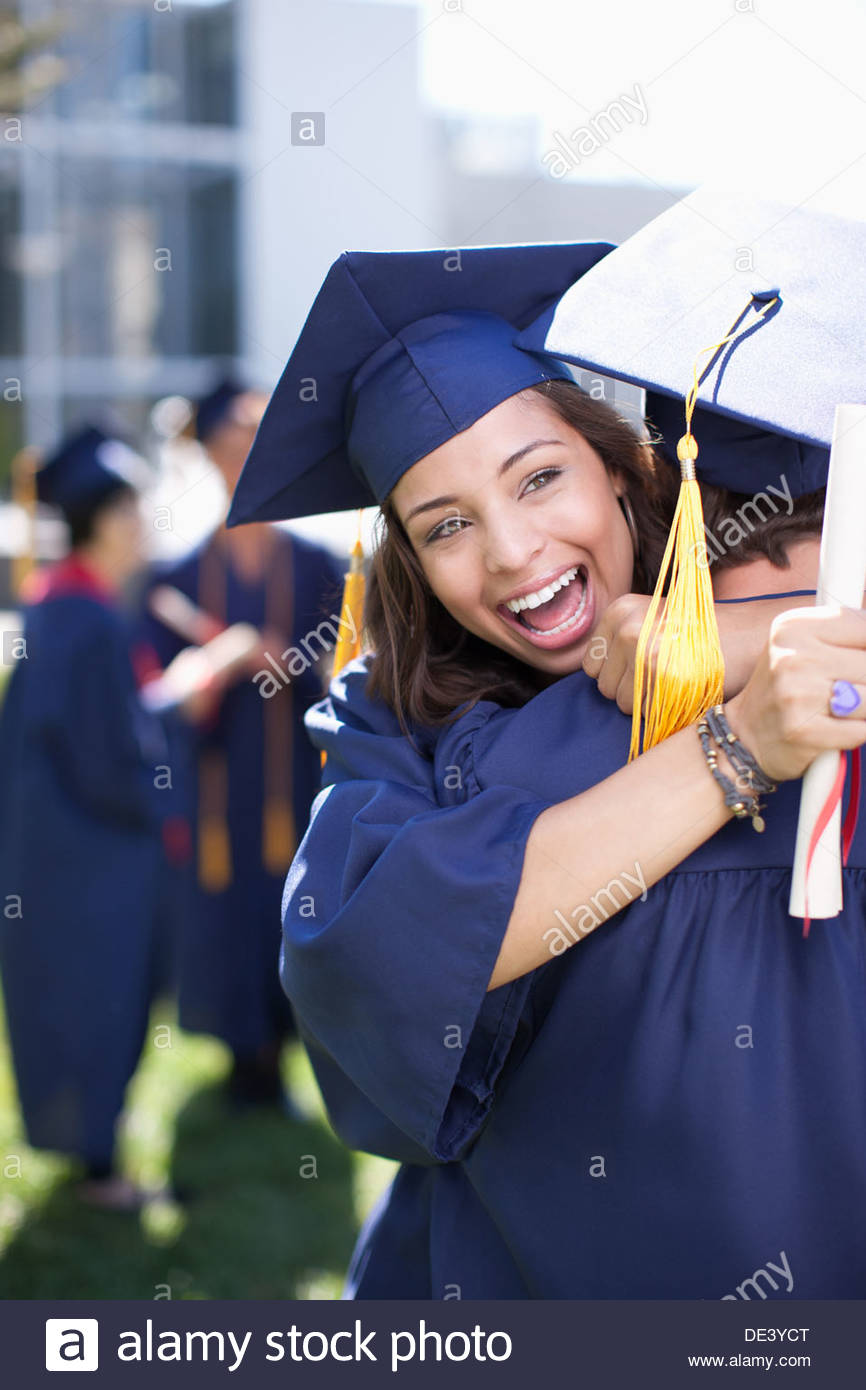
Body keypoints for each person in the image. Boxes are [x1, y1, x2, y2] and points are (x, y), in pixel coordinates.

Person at [227, 217, 866, 1298]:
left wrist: (740, 642)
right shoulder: (393, 724)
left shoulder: (787, 637)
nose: (513, 553)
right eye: (444, 526)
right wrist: (735, 738)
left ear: (621, 466)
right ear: (411, 564)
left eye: (536, 479)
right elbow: (370, 966)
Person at [0, 427, 208, 1210]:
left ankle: (92, 1158)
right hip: (92, 863)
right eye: (132, 510)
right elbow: (112, 765)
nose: (144, 523)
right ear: (105, 523)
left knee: (81, 999)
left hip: (59, 857)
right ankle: (101, 1173)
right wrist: (183, 701)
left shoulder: (64, 608)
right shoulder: (86, 622)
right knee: (99, 1000)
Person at [142, 380, 343, 1111]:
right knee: (226, 906)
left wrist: (289, 661)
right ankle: (239, 1055)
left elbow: (350, 667)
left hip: (298, 775)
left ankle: (291, 1054)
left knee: (294, 898)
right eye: (236, 440)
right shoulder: (177, 576)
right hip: (220, 776)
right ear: (210, 453)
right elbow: (155, 698)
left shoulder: (319, 564)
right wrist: (216, 666)